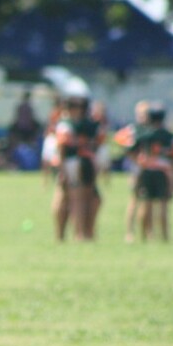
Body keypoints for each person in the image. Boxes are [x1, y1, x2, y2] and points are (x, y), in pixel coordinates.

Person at [53, 95, 103, 241]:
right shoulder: (66, 125)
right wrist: (62, 170)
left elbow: (97, 143)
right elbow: (61, 148)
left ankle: (82, 233)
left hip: (80, 163)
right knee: (74, 198)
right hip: (71, 163)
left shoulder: (83, 124)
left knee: (85, 198)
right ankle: (76, 233)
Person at [130, 104, 173, 242]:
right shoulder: (169, 136)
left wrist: (140, 162)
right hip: (163, 172)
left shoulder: (144, 134)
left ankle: (145, 235)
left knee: (146, 204)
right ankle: (164, 236)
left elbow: (132, 150)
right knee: (163, 205)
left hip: (146, 171)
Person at [114, 100, 150, 243]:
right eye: (141, 114)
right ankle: (130, 232)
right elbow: (121, 141)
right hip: (137, 168)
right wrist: (136, 159)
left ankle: (146, 232)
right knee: (135, 199)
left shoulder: (151, 128)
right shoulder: (133, 129)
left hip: (150, 167)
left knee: (147, 201)